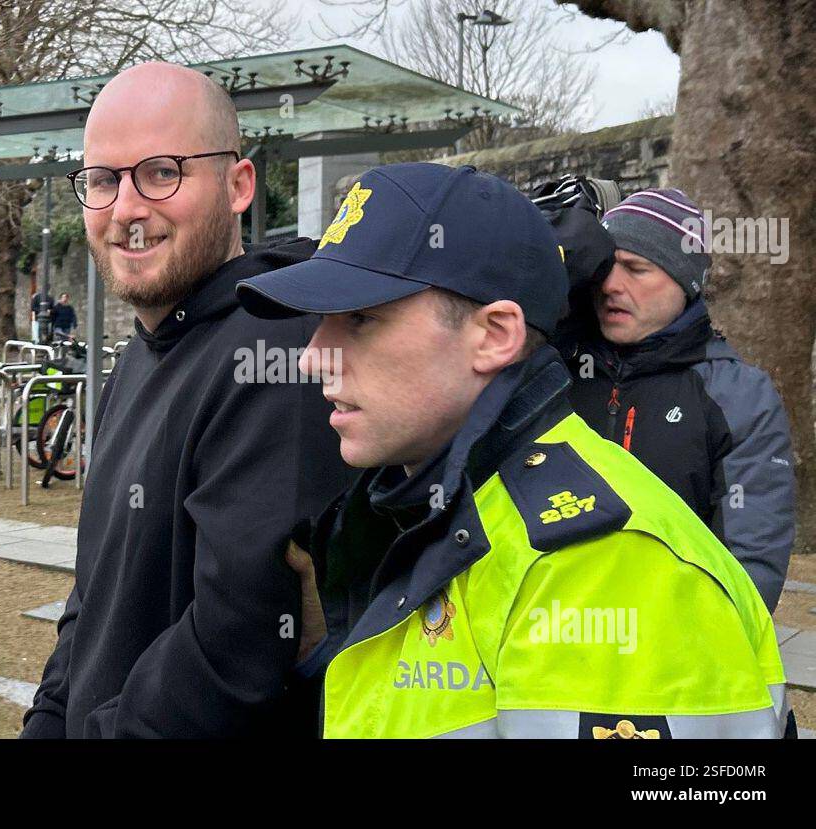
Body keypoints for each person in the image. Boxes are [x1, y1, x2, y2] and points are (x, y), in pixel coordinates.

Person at [236, 163, 791, 739]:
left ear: (496, 335)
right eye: (322, 321)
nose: (312, 358)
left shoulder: (595, 564)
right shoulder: (432, 505)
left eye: (361, 318)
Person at [20, 62, 351, 739]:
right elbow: (93, 598)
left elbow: (236, 653)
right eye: (104, 180)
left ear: (238, 185)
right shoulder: (139, 355)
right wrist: (48, 721)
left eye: (162, 172)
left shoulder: (280, 348)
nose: (127, 209)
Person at [562, 188, 795, 612]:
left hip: (672, 658)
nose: (612, 286)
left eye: (636, 269)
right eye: (605, 268)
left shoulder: (737, 396)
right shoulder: (556, 370)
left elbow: (750, 565)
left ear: (685, 282)